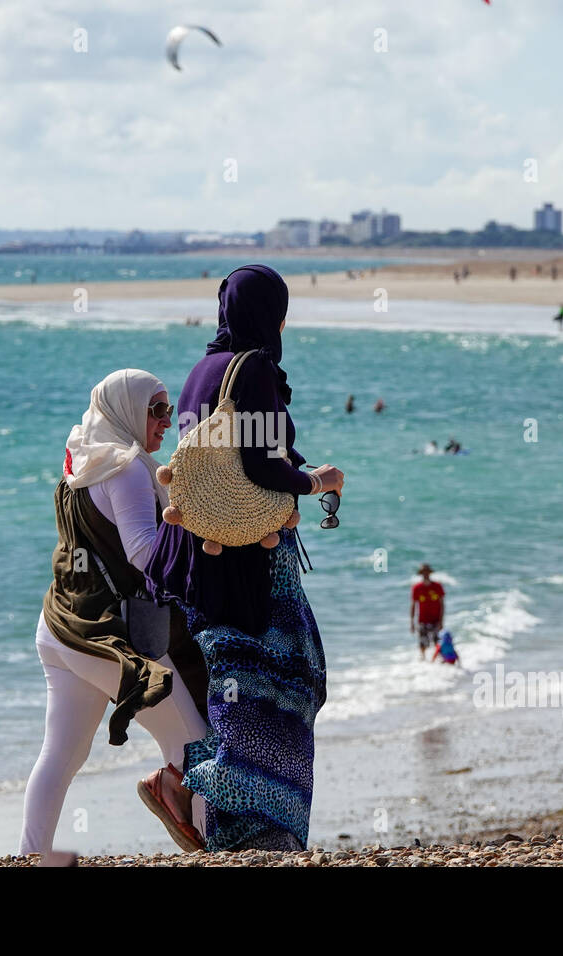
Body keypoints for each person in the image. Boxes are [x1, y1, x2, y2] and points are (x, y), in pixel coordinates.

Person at [146, 264, 340, 853]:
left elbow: (234, 448)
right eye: (281, 310)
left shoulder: (202, 371)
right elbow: (257, 465)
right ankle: (220, 803)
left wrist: (294, 467)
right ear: (270, 314)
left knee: (243, 681)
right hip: (247, 559)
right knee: (291, 677)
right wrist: (315, 482)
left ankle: (216, 812)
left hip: (200, 553)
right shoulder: (253, 368)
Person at [20, 369, 208, 855]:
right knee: (193, 745)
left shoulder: (79, 460)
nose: (167, 421)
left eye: (169, 409)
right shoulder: (125, 468)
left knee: (60, 757)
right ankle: (214, 846)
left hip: (61, 627)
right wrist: (199, 536)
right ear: (127, 410)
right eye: (157, 409)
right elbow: (144, 553)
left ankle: (31, 856)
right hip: (111, 637)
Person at [410, 564, 445, 659]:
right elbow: (413, 605)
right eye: (423, 572)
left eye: (427, 572)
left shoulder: (437, 586)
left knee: (437, 642)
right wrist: (412, 623)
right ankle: (423, 659)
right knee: (422, 642)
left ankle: (439, 660)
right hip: (422, 620)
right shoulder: (417, 588)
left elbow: (442, 604)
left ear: (430, 573)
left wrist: (441, 621)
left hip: (436, 619)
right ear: (421, 574)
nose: (425, 574)